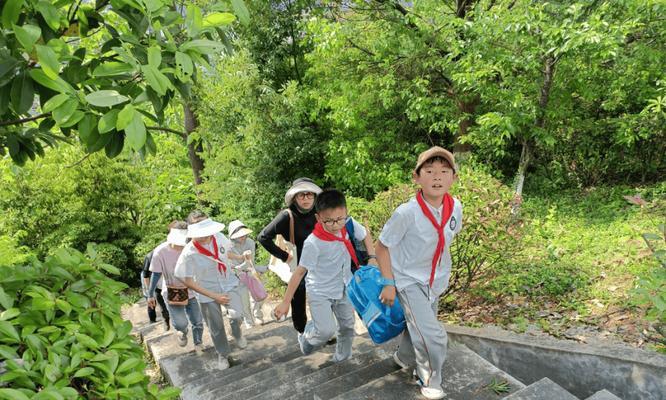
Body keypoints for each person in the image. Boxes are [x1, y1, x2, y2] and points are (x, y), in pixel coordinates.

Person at [375, 146, 463, 400]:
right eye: (430, 171)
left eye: (445, 171)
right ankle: (429, 378)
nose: (437, 177)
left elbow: (447, 239)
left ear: (453, 178)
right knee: (433, 336)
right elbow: (382, 247)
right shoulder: (406, 213)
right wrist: (389, 282)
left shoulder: (456, 207)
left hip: (435, 280)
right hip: (408, 280)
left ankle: (403, 358)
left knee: (419, 326)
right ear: (416, 177)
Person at [274, 189, 375, 362]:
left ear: (345, 213)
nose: (336, 225)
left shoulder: (348, 224)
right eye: (329, 221)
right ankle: (306, 336)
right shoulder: (314, 243)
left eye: (339, 219)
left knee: (347, 327)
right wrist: (285, 303)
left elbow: (365, 235)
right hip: (320, 291)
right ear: (318, 218)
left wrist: (372, 258)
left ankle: (342, 358)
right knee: (326, 331)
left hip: (345, 286)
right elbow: (299, 273)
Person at [174, 211, 247, 370]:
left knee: (237, 315)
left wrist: (240, 258)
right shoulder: (189, 252)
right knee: (216, 327)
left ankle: (236, 333)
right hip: (207, 292)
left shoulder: (219, 237)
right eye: (200, 233)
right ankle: (223, 355)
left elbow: (225, 253)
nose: (204, 236)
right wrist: (214, 296)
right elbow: (186, 280)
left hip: (228, 283)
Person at [258, 178, 322, 334]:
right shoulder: (287, 216)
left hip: (319, 263)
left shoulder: (318, 212)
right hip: (298, 265)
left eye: (309, 195)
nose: (306, 199)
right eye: (302, 195)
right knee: (298, 299)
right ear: (295, 197)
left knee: (320, 297)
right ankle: (302, 332)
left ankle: (323, 329)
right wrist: (284, 256)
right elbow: (263, 237)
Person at [147, 222, 205, 355]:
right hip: (172, 292)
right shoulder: (160, 252)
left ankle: (198, 343)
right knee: (181, 323)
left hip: (191, 290)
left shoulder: (191, 248)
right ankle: (182, 332)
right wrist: (150, 294)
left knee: (197, 321)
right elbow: (155, 275)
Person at [228, 219, 265, 329]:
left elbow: (251, 262)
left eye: (244, 235)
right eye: (240, 236)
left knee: (257, 295)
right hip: (237, 275)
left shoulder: (250, 242)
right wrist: (243, 260)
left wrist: (248, 263)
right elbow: (232, 266)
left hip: (250, 271)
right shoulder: (228, 247)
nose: (243, 237)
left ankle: (258, 316)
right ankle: (248, 321)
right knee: (244, 300)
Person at [141, 249, 169, 329]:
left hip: (164, 280)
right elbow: (145, 276)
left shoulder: (167, 254)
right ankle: (154, 319)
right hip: (150, 280)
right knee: (151, 299)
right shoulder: (149, 257)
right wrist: (149, 291)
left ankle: (169, 318)